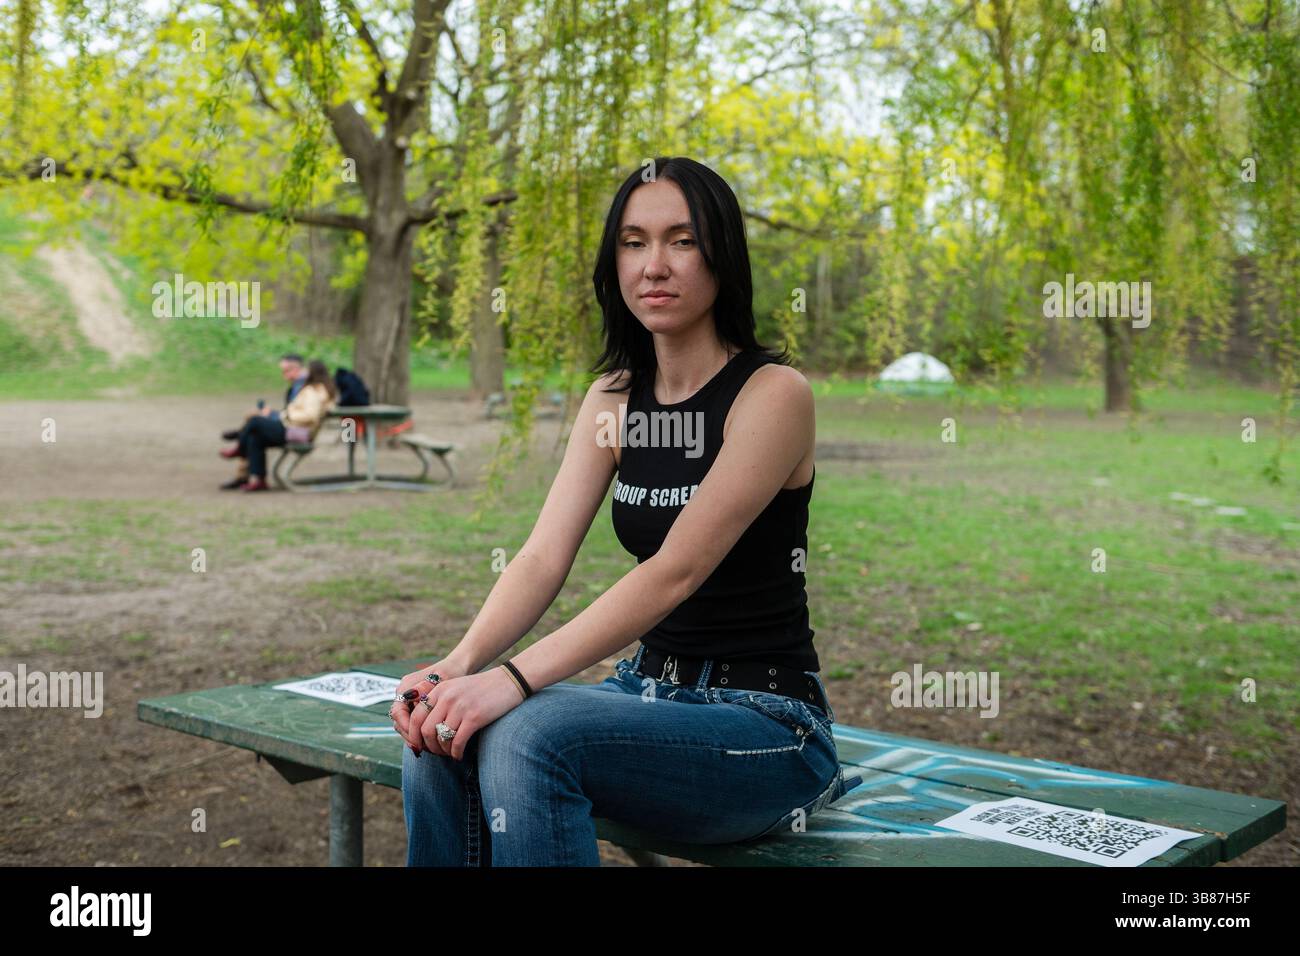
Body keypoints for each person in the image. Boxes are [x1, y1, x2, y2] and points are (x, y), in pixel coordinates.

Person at [396, 156, 850, 866]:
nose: (654, 265)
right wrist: (458, 666)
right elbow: (544, 556)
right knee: (441, 732)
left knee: (524, 732)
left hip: (766, 726)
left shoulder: (772, 395)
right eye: (633, 242)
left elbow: (677, 569)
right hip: (644, 695)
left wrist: (512, 681)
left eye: (682, 240)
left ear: (722, 253)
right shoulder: (614, 399)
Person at [219, 359, 337, 491]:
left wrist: (287, 415)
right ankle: (258, 480)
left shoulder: (313, 391)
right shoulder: (320, 390)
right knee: (255, 436)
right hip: (296, 429)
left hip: (296, 431)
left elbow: (310, 415)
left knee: (255, 421)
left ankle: (240, 446)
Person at [218, 353, 310, 443]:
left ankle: (240, 438)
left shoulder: (301, 386)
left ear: (295, 369)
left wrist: (274, 415)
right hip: (291, 423)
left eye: (285, 371)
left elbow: (297, 415)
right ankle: (240, 441)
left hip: (294, 428)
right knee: (254, 424)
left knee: (254, 421)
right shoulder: (299, 384)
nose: (283, 374)